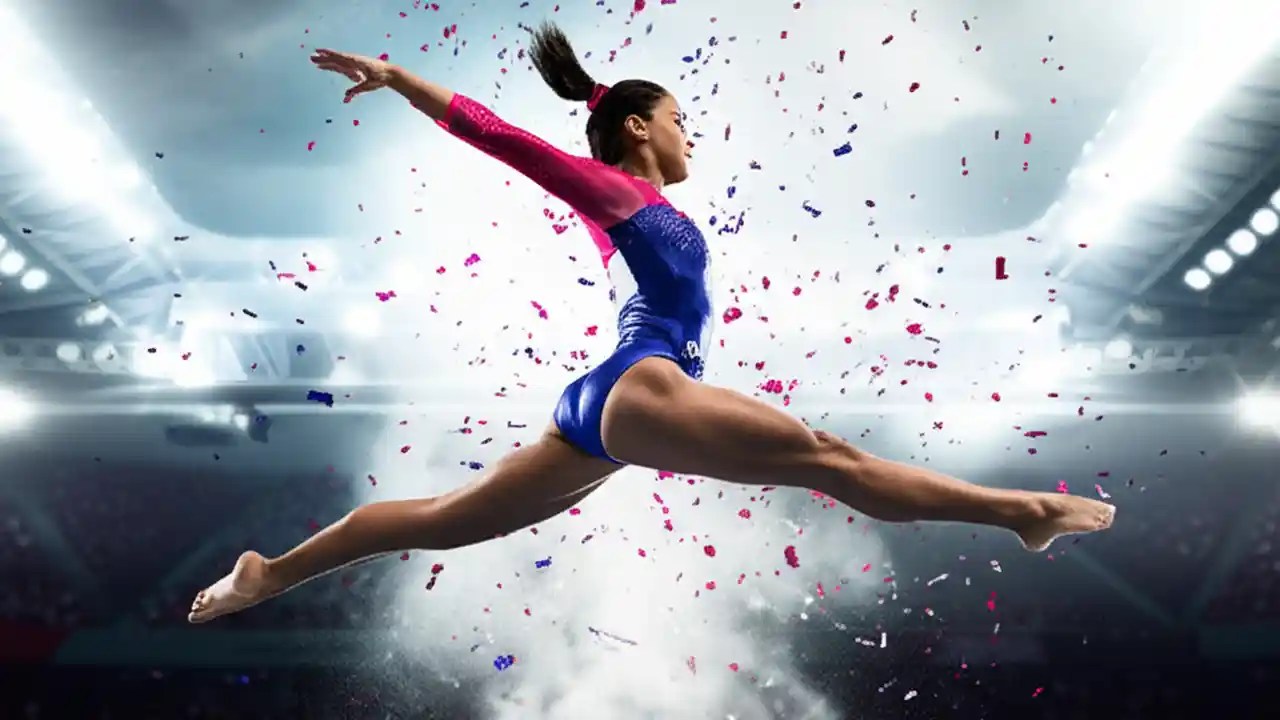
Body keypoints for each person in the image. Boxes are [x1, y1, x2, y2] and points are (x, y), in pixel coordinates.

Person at [189, 24, 1115, 623]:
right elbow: (508, 143)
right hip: (644, 383)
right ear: (637, 128)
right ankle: (1025, 513)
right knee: (830, 458)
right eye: (680, 117)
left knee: (440, 521)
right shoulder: (621, 192)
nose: (690, 132)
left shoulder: (628, 206)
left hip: (600, 408)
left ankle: (270, 574)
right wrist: (398, 77)